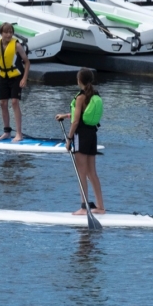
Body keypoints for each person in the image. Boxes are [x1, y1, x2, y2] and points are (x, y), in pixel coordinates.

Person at [56, 68, 104, 214]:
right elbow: (82, 114)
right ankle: (101, 207)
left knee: (81, 172)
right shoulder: (93, 94)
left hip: (80, 136)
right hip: (92, 134)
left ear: (79, 81)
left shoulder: (80, 98)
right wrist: (65, 115)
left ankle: (84, 207)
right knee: (92, 172)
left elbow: (76, 121)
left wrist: (69, 139)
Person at [0, 22, 30, 141]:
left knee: (14, 102)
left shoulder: (17, 46)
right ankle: (7, 132)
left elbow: (27, 62)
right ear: (1, 33)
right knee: (2, 104)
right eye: (6, 32)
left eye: (10, 32)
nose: (8, 35)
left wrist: (24, 78)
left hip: (16, 77)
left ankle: (19, 133)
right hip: (3, 76)